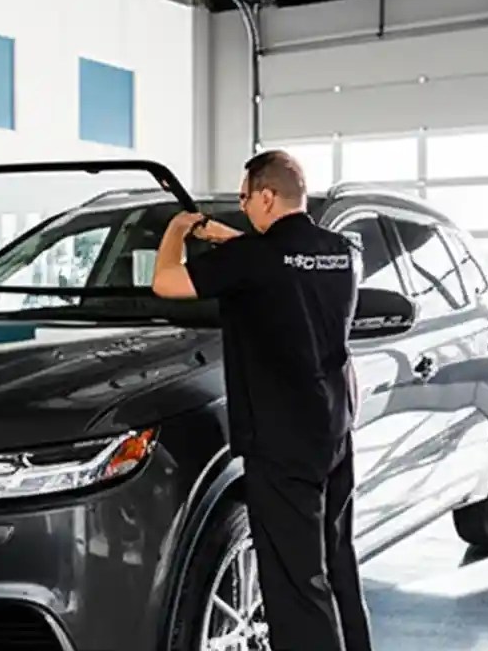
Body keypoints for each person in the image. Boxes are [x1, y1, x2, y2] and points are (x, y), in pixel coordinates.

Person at [151, 150, 373, 651]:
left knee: (294, 580)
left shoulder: (252, 260)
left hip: (281, 440)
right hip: (334, 431)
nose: (243, 205)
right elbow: (284, 265)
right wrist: (231, 240)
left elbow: (165, 281)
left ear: (267, 195)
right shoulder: (342, 252)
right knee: (336, 561)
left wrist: (177, 232)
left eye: (245, 196)